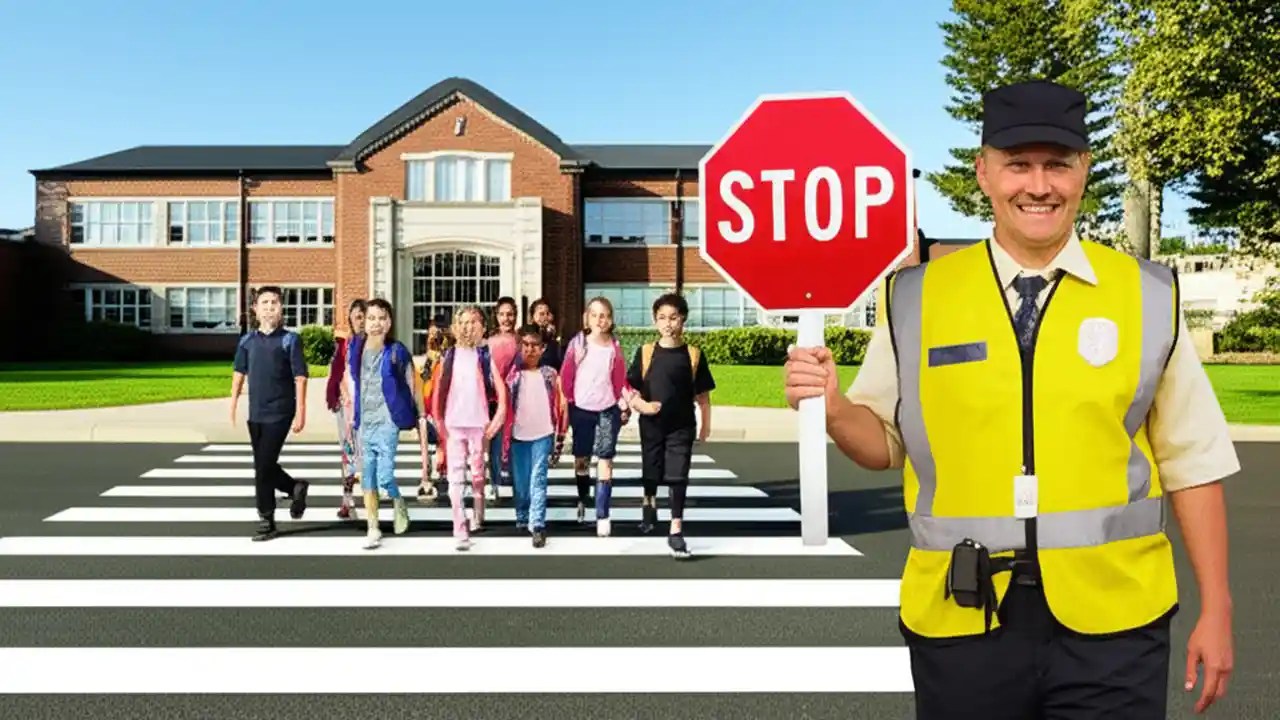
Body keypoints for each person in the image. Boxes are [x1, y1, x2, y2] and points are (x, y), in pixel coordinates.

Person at [783, 79, 1237, 718]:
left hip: (1116, 623)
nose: (1039, 185)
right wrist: (832, 407)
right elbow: (882, 444)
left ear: (1084, 170)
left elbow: (1195, 462)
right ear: (984, 172)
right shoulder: (916, 297)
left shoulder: (1146, 295)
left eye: (1058, 164)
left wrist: (1216, 609)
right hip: (964, 621)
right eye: (1018, 164)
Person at [625, 293, 714, 559]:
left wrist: (705, 426)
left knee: (678, 475)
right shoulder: (646, 352)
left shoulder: (694, 355)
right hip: (651, 425)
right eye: (662, 318)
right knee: (651, 470)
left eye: (673, 317)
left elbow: (704, 397)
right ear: (654, 321)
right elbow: (630, 388)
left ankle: (676, 530)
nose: (668, 323)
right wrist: (640, 405)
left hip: (681, 425)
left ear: (683, 319)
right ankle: (649, 502)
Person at [343, 298, 425, 550]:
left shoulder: (397, 351)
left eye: (381, 318)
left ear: (389, 322)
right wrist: (350, 420)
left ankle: (398, 502)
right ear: (364, 322)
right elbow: (351, 381)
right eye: (371, 318)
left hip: (388, 420)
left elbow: (414, 385)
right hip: (365, 421)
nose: (376, 323)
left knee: (385, 476)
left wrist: (420, 417)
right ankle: (373, 525)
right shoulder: (356, 348)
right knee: (367, 475)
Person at [230, 286, 309, 542]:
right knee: (263, 465)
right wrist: (232, 404)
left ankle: (266, 518)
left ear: (281, 308)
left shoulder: (290, 340)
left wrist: (301, 412)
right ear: (255, 309)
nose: (269, 307)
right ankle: (294, 488)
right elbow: (239, 374)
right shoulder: (247, 341)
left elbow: (300, 377)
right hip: (256, 412)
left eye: (274, 302)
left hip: (281, 411)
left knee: (263, 467)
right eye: (264, 302)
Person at [429, 305, 508, 551]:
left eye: (474, 322)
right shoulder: (448, 356)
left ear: (483, 328)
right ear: (454, 327)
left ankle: (478, 509)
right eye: (463, 322)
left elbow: (501, 392)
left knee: (476, 474)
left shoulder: (485, 356)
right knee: (455, 477)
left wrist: (497, 419)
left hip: (478, 425)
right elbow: (437, 392)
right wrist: (439, 422)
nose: (468, 327)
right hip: (454, 425)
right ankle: (459, 526)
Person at [559, 296, 632, 535]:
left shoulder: (615, 347)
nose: (600, 320)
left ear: (610, 320)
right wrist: (567, 405)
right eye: (595, 315)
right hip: (581, 409)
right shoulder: (579, 344)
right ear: (587, 318)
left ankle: (603, 514)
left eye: (605, 315)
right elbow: (566, 376)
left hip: (607, 410)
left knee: (605, 461)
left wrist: (624, 403)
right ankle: (583, 497)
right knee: (582, 460)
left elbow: (620, 379)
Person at [503, 324, 568, 548]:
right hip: (518, 435)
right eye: (525, 345)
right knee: (521, 482)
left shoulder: (550, 375)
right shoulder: (512, 376)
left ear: (543, 349)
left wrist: (559, 436)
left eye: (535, 346)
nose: (530, 350)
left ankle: (537, 523)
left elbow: (560, 406)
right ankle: (522, 515)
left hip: (543, 434)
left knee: (538, 480)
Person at [327, 299, 366, 519]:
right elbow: (337, 373)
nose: (360, 322)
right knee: (347, 453)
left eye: (363, 317)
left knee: (367, 453)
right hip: (346, 406)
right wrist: (343, 394)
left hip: (367, 407)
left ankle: (372, 497)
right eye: (357, 317)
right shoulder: (344, 346)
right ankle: (347, 499)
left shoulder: (374, 345)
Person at [484, 297, 520, 503]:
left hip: (516, 398)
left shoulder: (520, 340)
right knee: (494, 444)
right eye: (502, 314)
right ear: (496, 316)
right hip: (492, 399)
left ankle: (518, 483)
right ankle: (494, 482)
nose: (506, 318)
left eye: (510, 314)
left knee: (516, 442)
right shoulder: (488, 341)